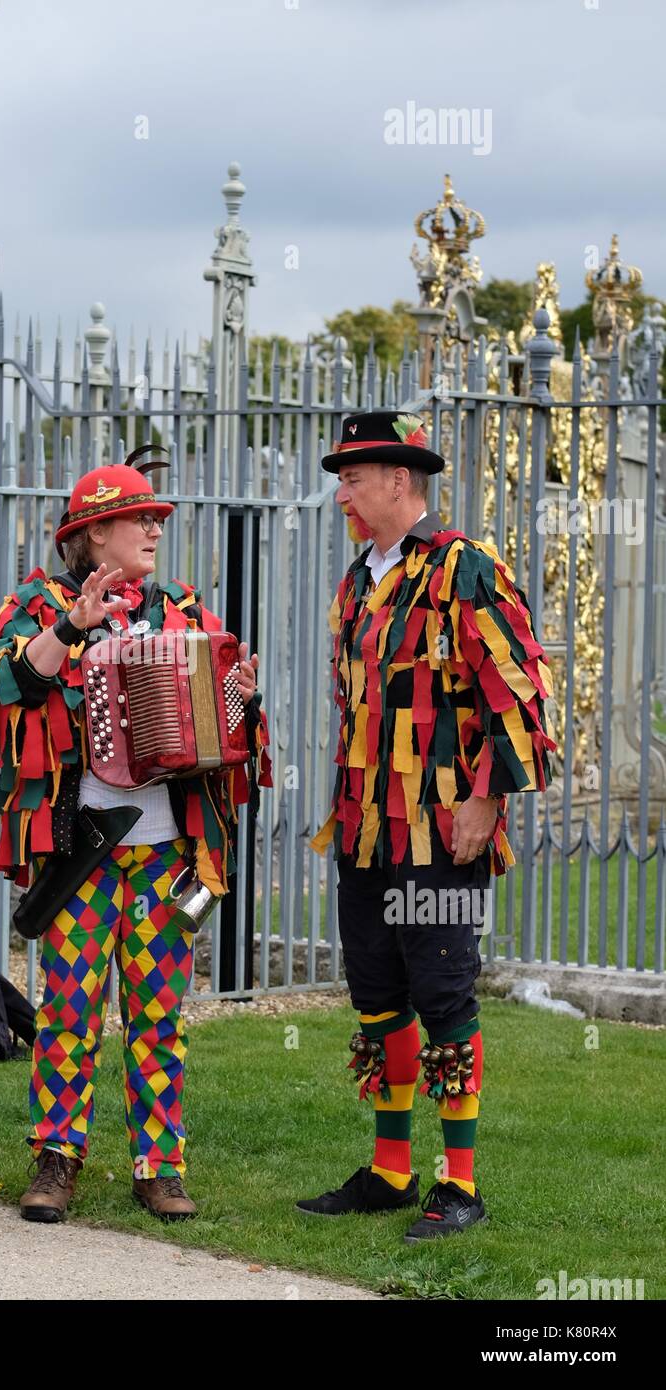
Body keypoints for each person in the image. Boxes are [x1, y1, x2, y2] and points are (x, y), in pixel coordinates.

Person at [0, 452, 272, 1223]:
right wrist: (70, 628)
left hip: (169, 851)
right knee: (69, 1009)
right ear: (95, 533)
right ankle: (56, 1159)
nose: (154, 531)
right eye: (141, 520)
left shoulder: (183, 610)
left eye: (156, 521)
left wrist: (240, 700)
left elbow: (229, 738)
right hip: (83, 849)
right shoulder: (37, 605)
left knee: (158, 1012)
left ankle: (158, 1166)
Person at [303, 410, 556, 1241]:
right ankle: (390, 1169)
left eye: (354, 478)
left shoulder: (464, 567)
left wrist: (488, 798)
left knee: (444, 996)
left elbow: (519, 689)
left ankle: (462, 1183)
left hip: (442, 828)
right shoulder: (355, 581)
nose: (343, 492)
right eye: (341, 479)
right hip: (364, 826)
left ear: (401, 481)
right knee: (377, 998)